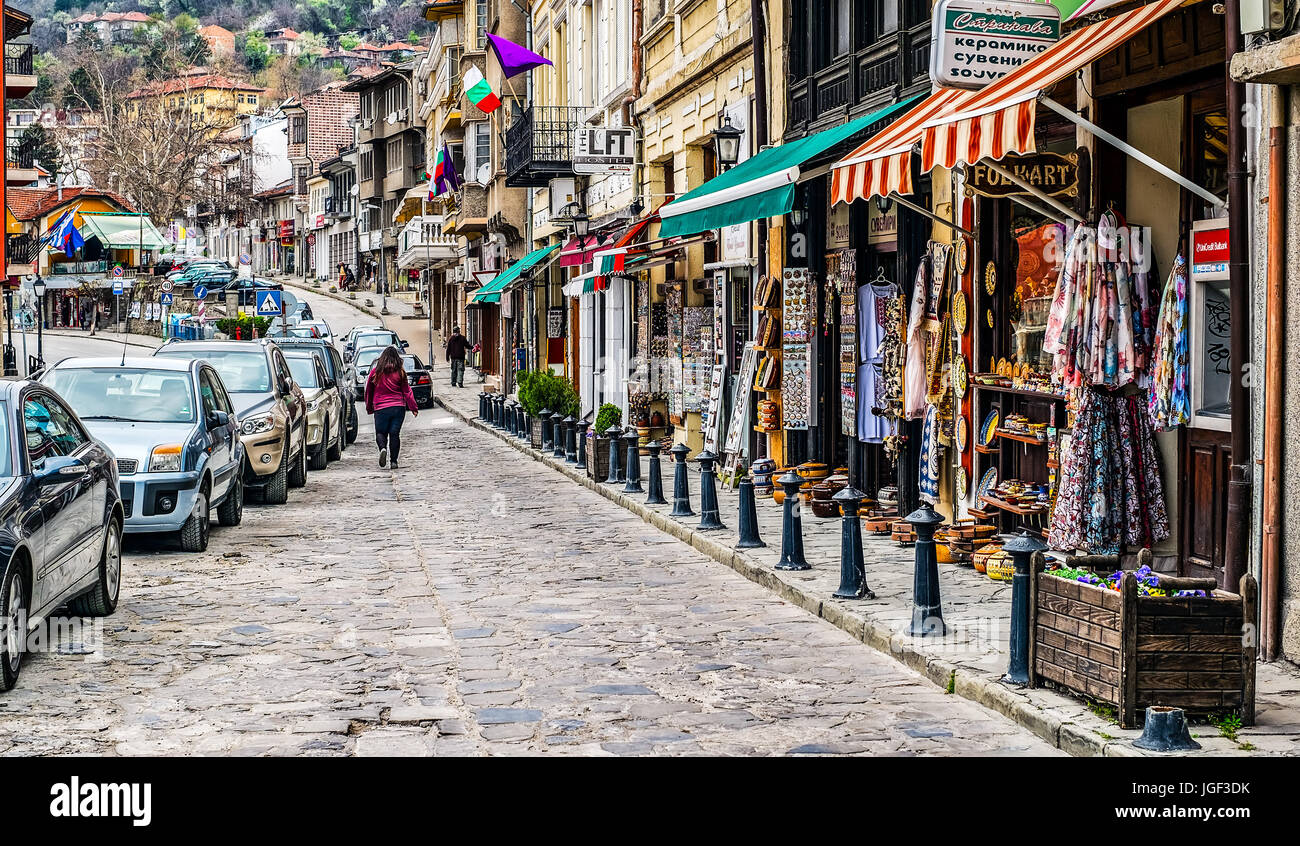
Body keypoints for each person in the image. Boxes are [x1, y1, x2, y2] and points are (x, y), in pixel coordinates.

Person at [364, 345, 418, 469]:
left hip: (381, 408)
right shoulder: (400, 372)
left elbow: (369, 391)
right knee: (394, 434)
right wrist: (413, 407)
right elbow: (407, 391)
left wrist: (369, 407)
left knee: (380, 432)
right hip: (398, 408)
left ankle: (383, 448)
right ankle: (394, 461)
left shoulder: (375, 372)